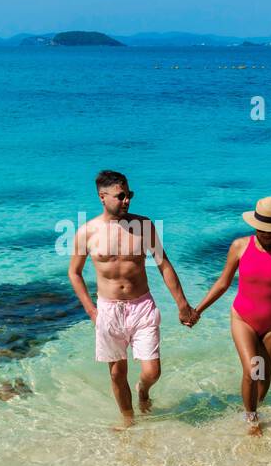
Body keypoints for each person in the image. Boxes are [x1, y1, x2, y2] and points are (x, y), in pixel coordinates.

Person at [68, 170, 196, 429]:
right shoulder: (87, 232)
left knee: (152, 371)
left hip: (142, 305)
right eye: (121, 196)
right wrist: (92, 311)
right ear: (102, 197)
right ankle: (128, 420)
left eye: (129, 195)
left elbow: (164, 265)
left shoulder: (143, 226)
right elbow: (74, 273)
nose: (127, 200)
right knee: (117, 372)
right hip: (108, 309)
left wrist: (182, 304)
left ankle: (143, 390)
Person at [190, 196, 271, 435]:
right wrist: (198, 310)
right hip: (243, 318)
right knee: (253, 370)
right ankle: (252, 419)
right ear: (255, 225)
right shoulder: (239, 246)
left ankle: (256, 404)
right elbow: (222, 283)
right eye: (263, 229)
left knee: (263, 378)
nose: (268, 233)